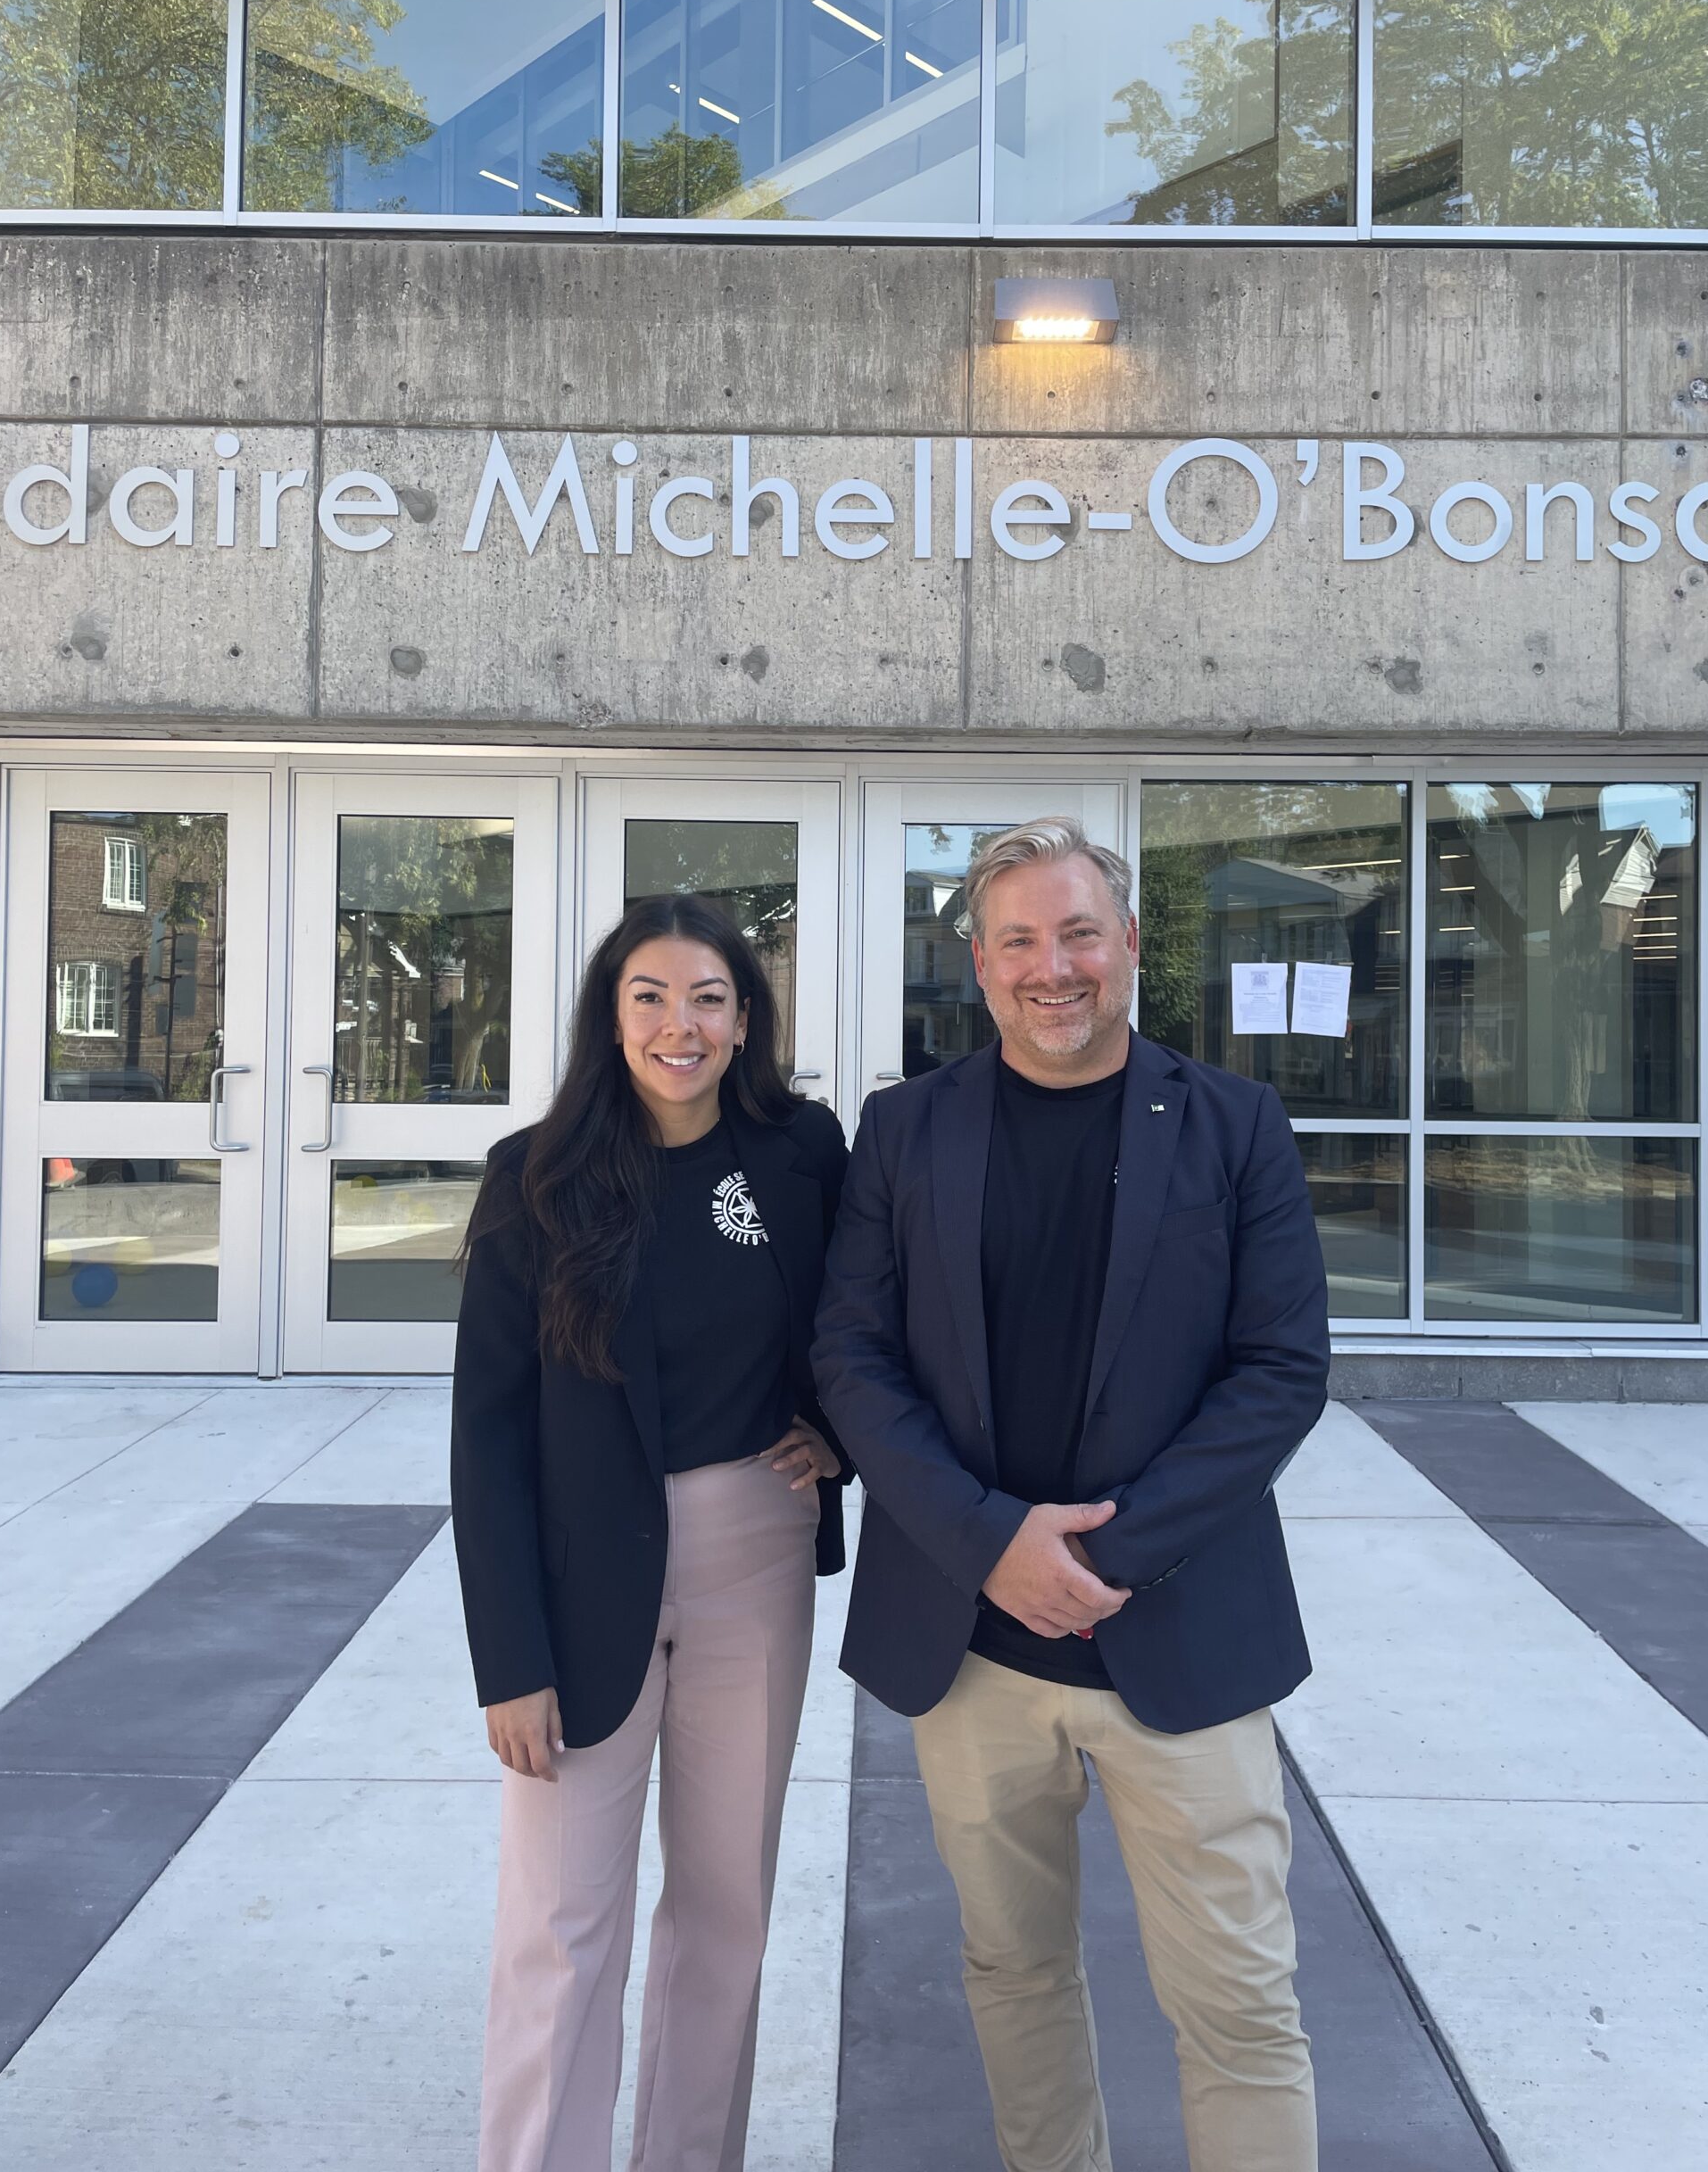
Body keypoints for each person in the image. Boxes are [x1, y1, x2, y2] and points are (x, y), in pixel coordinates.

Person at [813, 817, 1329, 2172]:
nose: (1055, 967)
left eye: (1080, 933)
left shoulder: (1235, 1125)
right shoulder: (904, 1129)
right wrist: (992, 1547)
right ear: (981, 964)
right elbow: (852, 1357)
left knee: (1240, 2004)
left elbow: (1281, 1371)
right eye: (1022, 940)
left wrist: (1106, 1559)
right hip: (972, 1646)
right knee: (1015, 1973)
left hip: (1183, 1637)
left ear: (1131, 945)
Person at [451, 893, 849, 2172]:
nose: (681, 1025)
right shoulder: (537, 1174)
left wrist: (837, 1434)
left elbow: (862, 1323)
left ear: (746, 1021)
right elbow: (488, 1436)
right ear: (610, 1017)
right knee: (560, 1924)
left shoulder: (800, 1154)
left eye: (708, 999)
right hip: (581, 1574)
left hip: (755, 1550)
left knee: (726, 1908)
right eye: (651, 997)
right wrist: (509, 1660)